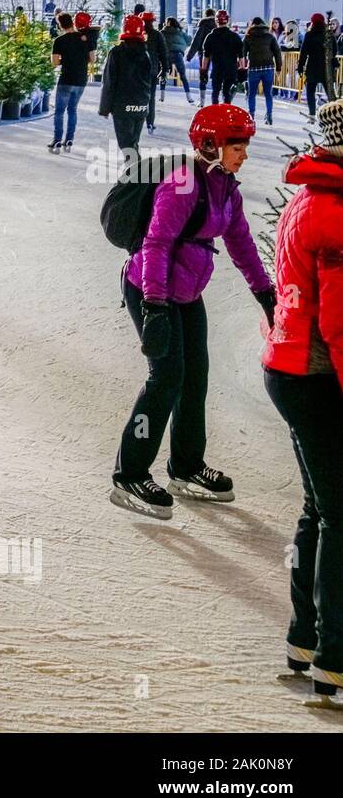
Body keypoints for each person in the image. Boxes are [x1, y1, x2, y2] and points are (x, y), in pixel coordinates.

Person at [110, 104, 273, 520]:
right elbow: (157, 244)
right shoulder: (182, 184)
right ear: (210, 144)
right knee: (165, 378)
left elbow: (241, 245)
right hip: (152, 289)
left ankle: (186, 467)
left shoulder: (225, 188)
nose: (245, 154)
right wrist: (154, 306)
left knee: (194, 378)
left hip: (185, 294)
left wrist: (265, 294)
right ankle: (130, 473)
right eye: (238, 146)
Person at [262, 100, 343, 707]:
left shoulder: (307, 196)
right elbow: (340, 324)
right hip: (317, 376)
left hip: (291, 369)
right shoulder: (335, 212)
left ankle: (306, 641)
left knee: (320, 507)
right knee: (341, 515)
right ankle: (335, 658)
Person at [98, 14, 154, 152]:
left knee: (126, 145)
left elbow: (109, 82)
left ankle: (135, 170)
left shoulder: (116, 53)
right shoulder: (146, 54)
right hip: (141, 105)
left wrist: (104, 108)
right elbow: (149, 80)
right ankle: (135, 169)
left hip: (122, 106)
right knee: (133, 142)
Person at [49, 12, 93, 152]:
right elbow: (92, 59)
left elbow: (55, 62)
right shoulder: (85, 39)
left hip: (66, 80)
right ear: (72, 22)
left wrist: (66, 60)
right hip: (81, 80)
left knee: (59, 112)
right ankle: (69, 140)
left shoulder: (59, 41)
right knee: (72, 110)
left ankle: (57, 140)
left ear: (60, 25)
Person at [242, 16, 282, 125]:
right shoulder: (270, 36)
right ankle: (269, 115)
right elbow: (277, 52)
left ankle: (251, 116)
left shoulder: (248, 37)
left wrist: (243, 66)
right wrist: (278, 68)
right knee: (268, 93)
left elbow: (242, 53)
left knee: (252, 93)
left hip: (254, 68)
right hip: (268, 68)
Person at [298, 12, 336, 125]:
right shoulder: (328, 34)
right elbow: (334, 50)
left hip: (313, 67)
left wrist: (300, 66)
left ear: (313, 22)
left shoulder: (309, 35)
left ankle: (312, 116)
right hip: (326, 67)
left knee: (310, 91)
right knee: (329, 91)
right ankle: (334, 114)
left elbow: (303, 52)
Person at [201, 10, 241, 106]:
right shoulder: (235, 37)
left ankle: (215, 112)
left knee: (215, 92)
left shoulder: (210, 37)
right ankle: (226, 112)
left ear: (216, 21)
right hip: (231, 69)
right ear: (227, 20)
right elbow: (241, 55)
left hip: (217, 69)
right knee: (227, 92)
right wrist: (242, 68)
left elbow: (206, 56)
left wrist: (203, 71)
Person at [141, 11, 167, 133]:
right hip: (152, 70)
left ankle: (138, 120)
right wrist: (164, 69)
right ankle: (150, 123)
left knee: (138, 97)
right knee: (150, 97)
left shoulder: (138, 35)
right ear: (152, 21)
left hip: (138, 72)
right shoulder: (157, 35)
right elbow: (163, 53)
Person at [186, 8, 217, 106]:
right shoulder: (218, 24)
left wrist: (189, 55)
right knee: (218, 75)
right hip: (217, 53)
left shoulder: (203, 25)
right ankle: (216, 100)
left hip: (203, 54)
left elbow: (196, 41)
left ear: (205, 15)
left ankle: (202, 101)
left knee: (203, 75)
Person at [160, 16, 193, 104]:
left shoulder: (163, 32)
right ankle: (189, 97)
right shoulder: (180, 32)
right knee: (183, 76)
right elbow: (189, 41)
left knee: (164, 73)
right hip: (178, 54)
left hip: (166, 55)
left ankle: (162, 96)